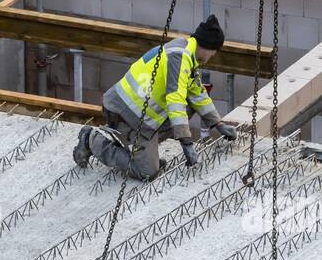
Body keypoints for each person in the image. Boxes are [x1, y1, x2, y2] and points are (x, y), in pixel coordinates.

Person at [73, 15, 238, 180]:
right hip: (123, 112)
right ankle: (92, 140)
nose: (213, 56)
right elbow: (176, 100)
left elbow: (197, 93)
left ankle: (142, 152)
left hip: (137, 116)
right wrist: (186, 142)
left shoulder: (186, 52)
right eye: (214, 52)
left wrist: (218, 124)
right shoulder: (179, 58)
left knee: (191, 103)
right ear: (208, 47)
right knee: (147, 173)